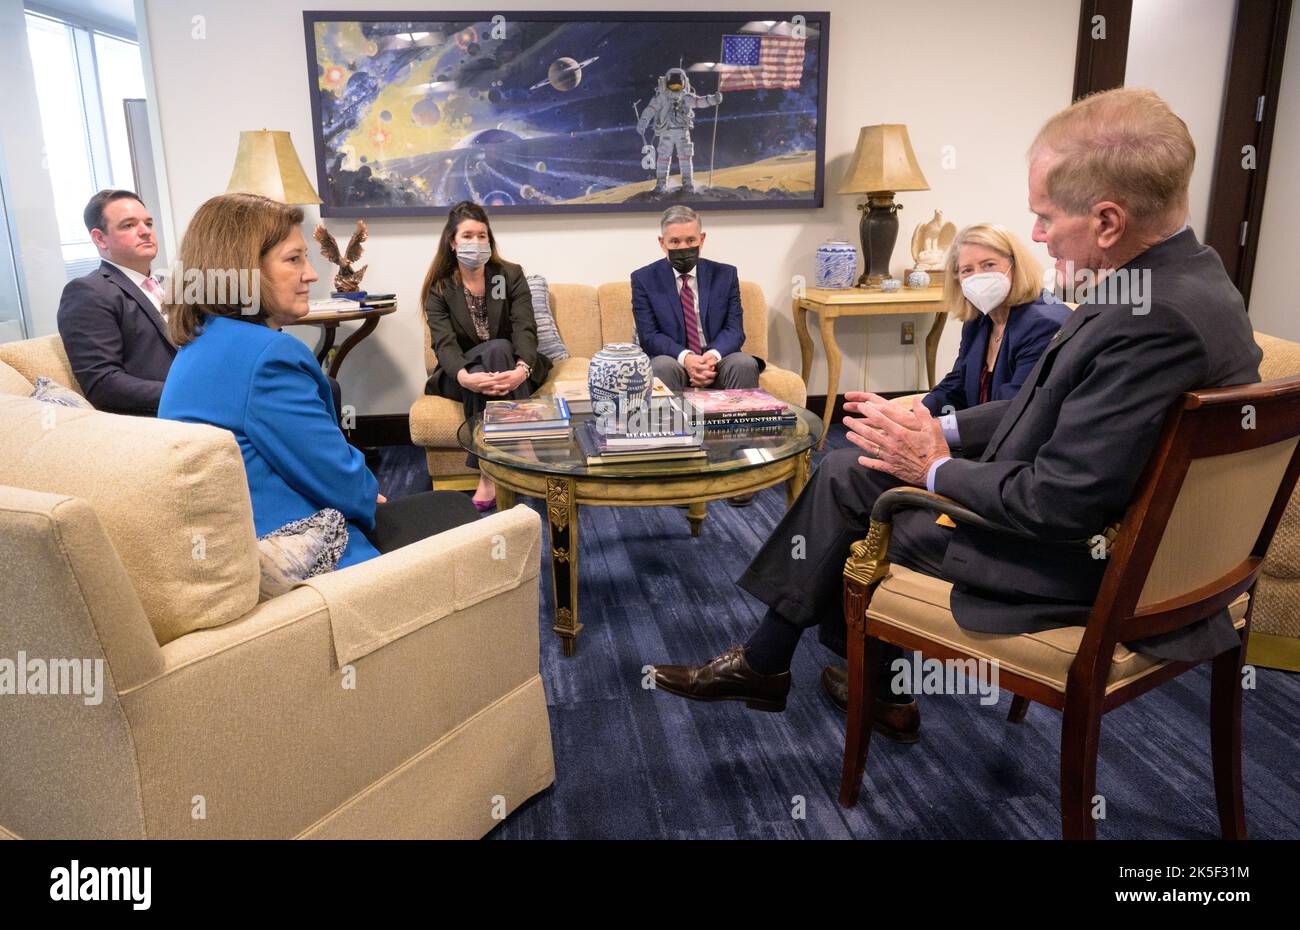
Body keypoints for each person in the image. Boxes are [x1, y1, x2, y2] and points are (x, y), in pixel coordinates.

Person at [651, 87, 1263, 744]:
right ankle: (801, 670)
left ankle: (844, 679)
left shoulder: (1150, 320)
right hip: (1115, 537)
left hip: (1085, 567)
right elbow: (1050, 415)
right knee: (848, 471)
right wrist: (932, 437)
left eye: (1046, 216)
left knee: (856, 519)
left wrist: (935, 467)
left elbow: (1055, 503)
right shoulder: (1193, 281)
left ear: (1109, 221)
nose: (1036, 234)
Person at [159, 192, 478, 567]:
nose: (310, 274)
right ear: (245, 270)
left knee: (448, 505)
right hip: (303, 554)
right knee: (463, 519)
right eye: (294, 259)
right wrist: (361, 490)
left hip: (237, 545)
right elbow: (341, 482)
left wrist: (355, 487)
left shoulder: (202, 339)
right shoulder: (267, 358)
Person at [631, 205, 765, 506]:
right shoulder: (643, 279)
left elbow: (735, 329)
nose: (683, 248)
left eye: (690, 240)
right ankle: (677, 470)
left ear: (702, 239)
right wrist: (687, 358)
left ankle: (739, 468)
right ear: (662, 242)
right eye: (675, 242)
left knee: (743, 362)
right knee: (661, 365)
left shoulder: (725, 274)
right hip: (676, 359)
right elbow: (649, 335)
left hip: (718, 356)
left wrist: (712, 356)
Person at [422, 201, 550, 512]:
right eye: (467, 236)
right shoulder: (440, 288)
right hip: (463, 375)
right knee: (494, 350)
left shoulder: (507, 276)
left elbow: (524, 328)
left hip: (513, 368)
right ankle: (523, 448)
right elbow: (445, 345)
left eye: (482, 235)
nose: (476, 243)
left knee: (500, 348)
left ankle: (488, 471)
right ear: (452, 243)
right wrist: (467, 376)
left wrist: (522, 369)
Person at [923, 224, 1070, 416]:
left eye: (989, 265)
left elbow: (1013, 411)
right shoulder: (978, 322)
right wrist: (913, 415)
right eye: (967, 270)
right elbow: (956, 386)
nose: (978, 276)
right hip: (982, 437)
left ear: (1015, 265)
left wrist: (939, 429)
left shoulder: (1043, 325)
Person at [56, 190, 175, 415]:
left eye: (148, 223)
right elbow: (103, 383)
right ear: (100, 238)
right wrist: (187, 393)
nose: (145, 232)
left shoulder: (166, 284)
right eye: (128, 225)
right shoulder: (88, 292)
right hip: (157, 418)